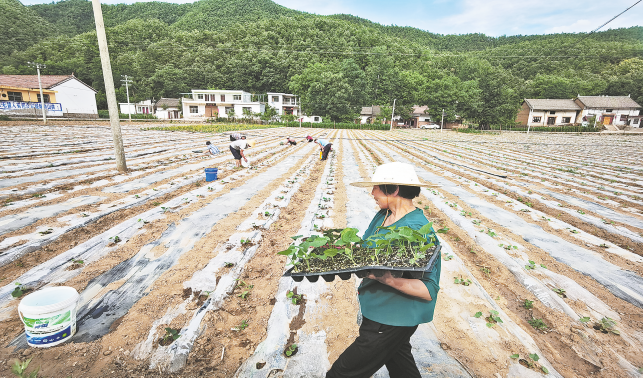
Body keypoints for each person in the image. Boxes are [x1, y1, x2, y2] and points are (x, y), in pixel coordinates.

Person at [327, 162, 441, 378]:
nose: (372, 193)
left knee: (342, 373)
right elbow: (365, 249)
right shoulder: (384, 216)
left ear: (394, 189)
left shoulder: (418, 231)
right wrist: (334, 250)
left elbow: (428, 290)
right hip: (377, 310)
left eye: (377, 187)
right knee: (401, 366)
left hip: (391, 319)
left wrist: (388, 279)